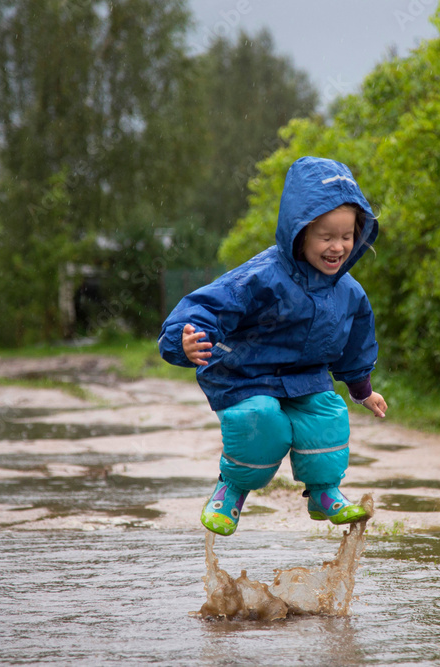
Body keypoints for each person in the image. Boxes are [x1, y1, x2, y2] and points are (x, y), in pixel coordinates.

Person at [158, 156, 388, 536]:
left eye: (347, 236)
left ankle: (323, 493)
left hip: (305, 378)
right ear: (299, 233)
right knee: (262, 419)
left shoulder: (349, 292)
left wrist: (362, 391)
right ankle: (231, 490)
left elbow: (356, 344)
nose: (337, 247)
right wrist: (185, 342)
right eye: (326, 237)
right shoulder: (261, 276)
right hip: (245, 375)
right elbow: (208, 306)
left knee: (328, 412)